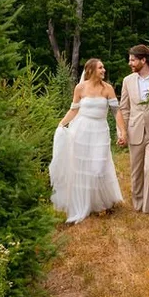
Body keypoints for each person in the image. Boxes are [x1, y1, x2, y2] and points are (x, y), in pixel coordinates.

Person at [49, 58, 123, 223]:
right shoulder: (80, 88)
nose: (104, 70)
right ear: (90, 70)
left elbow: (116, 112)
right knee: (83, 167)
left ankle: (100, 202)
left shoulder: (108, 89)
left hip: (100, 131)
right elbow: (73, 111)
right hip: (81, 131)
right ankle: (86, 204)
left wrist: (122, 132)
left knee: (98, 168)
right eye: (100, 67)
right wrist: (61, 125)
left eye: (103, 67)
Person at [116, 44, 149, 213]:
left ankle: (147, 208)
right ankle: (137, 205)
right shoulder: (128, 81)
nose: (130, 63)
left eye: (132, 60)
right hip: (135, 130)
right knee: (136, 171)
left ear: (143, 60)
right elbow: (123, 108)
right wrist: (122, 132)